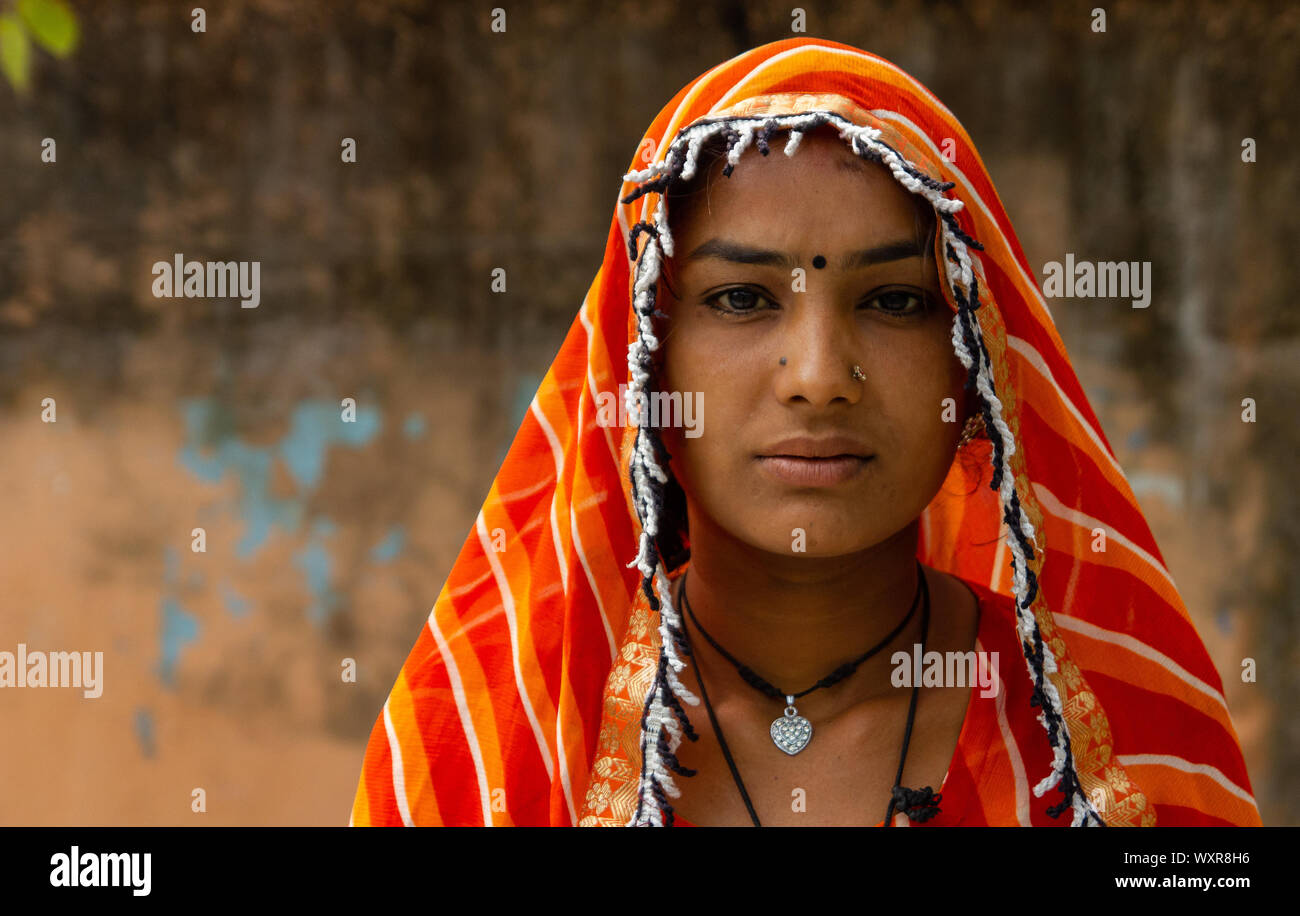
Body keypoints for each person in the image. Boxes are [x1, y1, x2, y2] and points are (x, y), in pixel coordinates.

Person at [349, 36, 1261, 827]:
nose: (821, 378)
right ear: (646, 351)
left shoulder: (1124, 744)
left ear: (976, 358)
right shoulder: (483, 742)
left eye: (896, 300)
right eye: (742, 299)